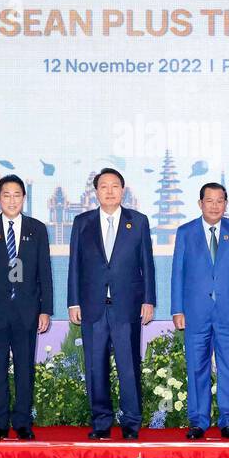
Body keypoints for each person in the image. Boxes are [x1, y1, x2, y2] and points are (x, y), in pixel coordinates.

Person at [67, 168, 155, 440]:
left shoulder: (138, 221)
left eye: (114, 185)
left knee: (128, 366)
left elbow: (147, 265)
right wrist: (73, 302)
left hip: (127, 305)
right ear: (96, 192)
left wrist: (149, 300)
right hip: (92, 305)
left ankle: (131, 423)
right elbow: (74, 266)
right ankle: (101, 422)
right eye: (103, 186)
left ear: (123, 190)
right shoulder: (82, 222)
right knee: (96, 367)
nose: (109, 191)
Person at [170, 182, 229, 440]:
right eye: (210, 201)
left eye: (220, 201)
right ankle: (198, 421)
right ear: (200, 204)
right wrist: (177, 309)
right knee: (197, 367)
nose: (215, 206)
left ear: (226, 204)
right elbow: (178, 273)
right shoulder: (185, 232)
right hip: (195, 312)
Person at [0, 175, 53, 440]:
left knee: (25, 369)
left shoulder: (37, 229)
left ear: (24, 198)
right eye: (6, 195)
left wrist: (45, 309)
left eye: (17, 195)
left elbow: (45, 272)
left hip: (27, 312)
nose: (12, 200)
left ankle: (22, 423)